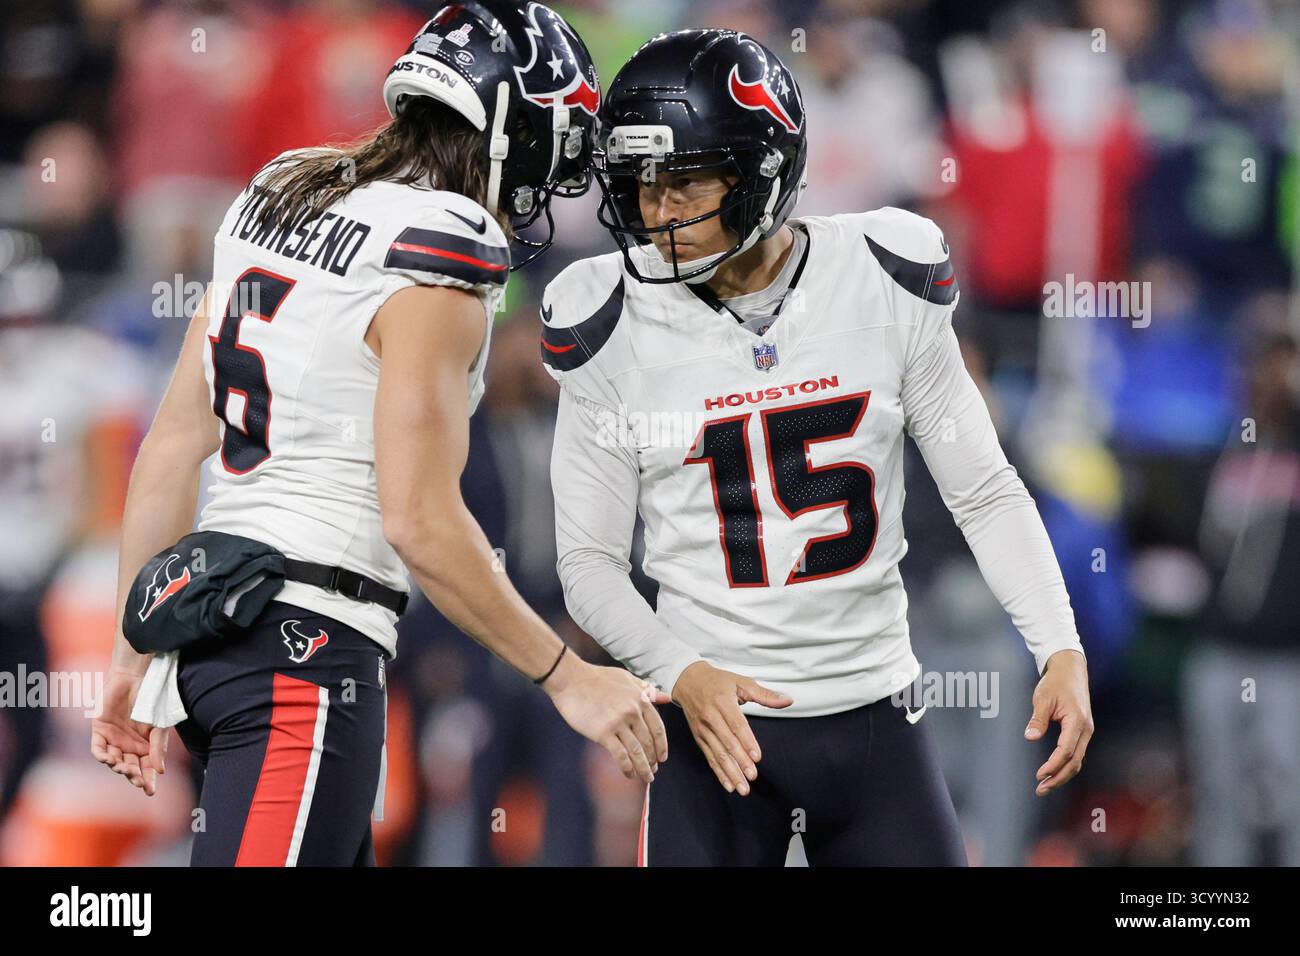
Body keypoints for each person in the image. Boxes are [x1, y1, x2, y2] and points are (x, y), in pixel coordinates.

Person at [91, 0, 667, 867]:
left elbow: (174, 442)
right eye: (555, 142)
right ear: (509, 126)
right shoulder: (447, 241)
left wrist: (136, 650)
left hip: (212, 635)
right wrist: (566, 675)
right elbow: (420, 520)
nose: (555, 179)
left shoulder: (281, 188)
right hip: (304, 651)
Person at [543, 29, 1094, 866]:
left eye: (682, 183)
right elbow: (586, 562)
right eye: (642, 187)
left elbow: (983, 489)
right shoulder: (607, 320)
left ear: (761, 171)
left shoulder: (884, 274)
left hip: (878, 718)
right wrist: (678, 670)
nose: (656, 215)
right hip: (713, 731)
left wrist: (1058, 642)